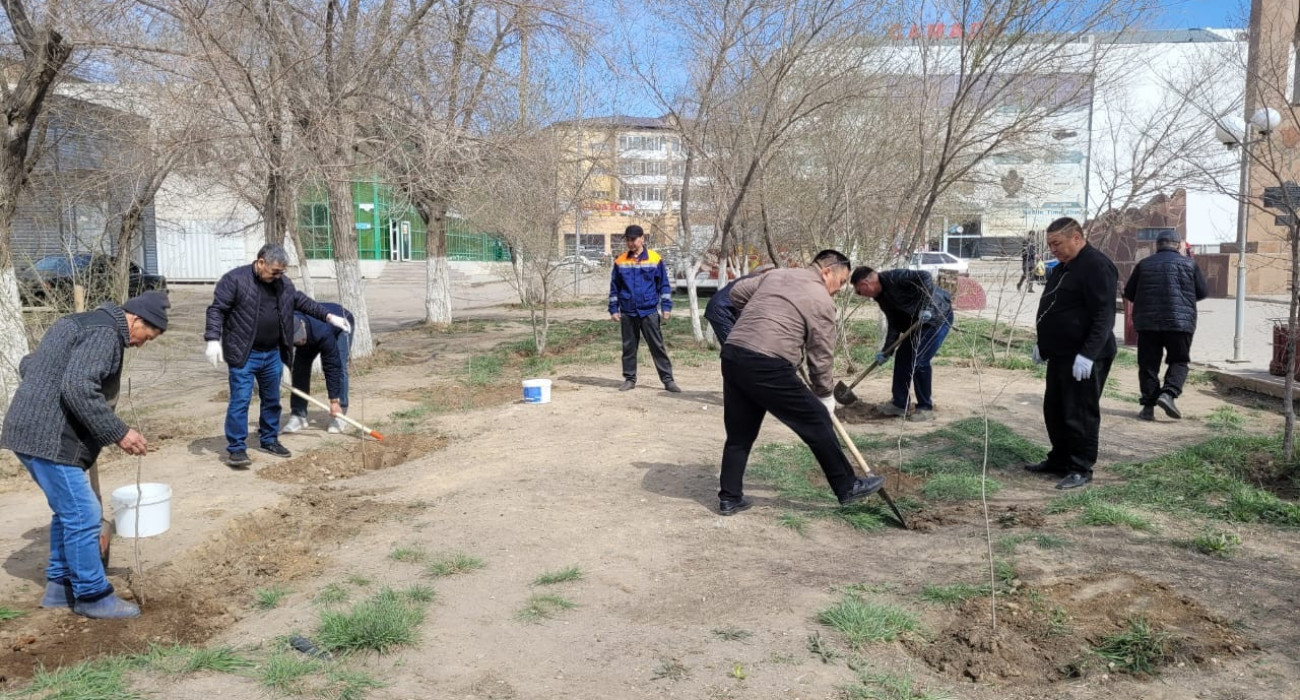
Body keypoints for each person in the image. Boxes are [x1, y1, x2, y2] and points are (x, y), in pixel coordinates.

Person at [1, 291, 169, 619]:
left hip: (28, 431)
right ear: (135, 320)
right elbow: (79, 387)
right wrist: (119, 432)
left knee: (68, 511)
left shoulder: (80, 323)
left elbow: (30, 364)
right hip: (48, 437)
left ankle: (59, 587)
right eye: (145, 337)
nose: (140, 345)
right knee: (84, 514)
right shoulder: (105, 334)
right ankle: (92, 595)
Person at [716, 250, 885, 516]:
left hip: (734, 354)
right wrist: (825, 395)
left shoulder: (777, 274)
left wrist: (763, 316)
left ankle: (729, 497)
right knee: (817, 421)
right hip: (767, 364)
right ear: (827, 271)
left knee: (739, 434)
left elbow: (736, 294)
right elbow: (821, 355)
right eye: (841, 282)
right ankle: (848, 486)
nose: (839, 290)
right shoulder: (821, 301)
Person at [205, 244, 351, 467]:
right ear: (261, 262)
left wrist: (329, 316)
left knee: (272, 401)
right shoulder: (235, 280)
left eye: (282, 272)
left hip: (272, 353)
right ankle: (236, 448)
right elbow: (216, 310)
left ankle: (269, 439)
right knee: (240, 401)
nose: (278, 276)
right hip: (244, 353)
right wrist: (213, 339)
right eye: (275, 271)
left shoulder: (282, 283)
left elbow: (303, 302)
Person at [1027, 217, 1118, 490]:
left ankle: (1080, 467)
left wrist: (1088, 354)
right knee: (1055, 410)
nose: (1052, 250)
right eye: (1050, 244)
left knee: (1079, 412)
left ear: (1076, 238)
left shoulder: (1096, 266)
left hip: (1085, 356)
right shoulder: (1064, 268)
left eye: (1057, 244)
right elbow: (1055, 309)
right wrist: (1043, 345)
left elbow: (1104, 315)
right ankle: (1059, 459)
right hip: (1060, 354)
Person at [1123, 230, 1207, 421]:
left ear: (1157, 246)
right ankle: (1168, 394)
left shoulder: (1144, 265)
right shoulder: (1190, 265)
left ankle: (1148, 408)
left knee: (1148, 365)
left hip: (1148, 324)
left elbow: (1129, 293)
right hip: (1180, 323)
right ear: (1178, 245)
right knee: (1179, 360)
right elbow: (1201, 293)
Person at [851, 267, 953, 422]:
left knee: (919, 361)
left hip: (936, 318)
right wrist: (887, 351)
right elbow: (894, 323)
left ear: (865, 283)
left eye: (859, 291)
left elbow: (924, 276)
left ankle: (925, 408)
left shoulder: (894, 277)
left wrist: (926, 307)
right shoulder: (882, 297)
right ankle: (899, 404)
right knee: (903, 358)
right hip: (916, 324)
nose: (861, 294)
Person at [608, 225, 679, 392]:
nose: (630, 243)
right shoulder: (620, 261)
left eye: (633, 239)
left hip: (649, 312)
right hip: (628, 312)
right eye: (628, 240)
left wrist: (666, 307)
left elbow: (664, 285)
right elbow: (614, 288)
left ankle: (668, 380)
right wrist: (613, 308)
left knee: (657, 346)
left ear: (642, 239)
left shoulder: (655, 259)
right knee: (629, 347)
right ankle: (629, 379)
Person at [283, 302, 354, 434]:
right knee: (299, 370)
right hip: (312, 332)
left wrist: (333, 400)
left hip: (341, 324)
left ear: (302, 326)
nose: (299, 342)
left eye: (300, 339)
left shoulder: (323, 331)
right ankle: (298, 415)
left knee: (340, 367)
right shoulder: (283, 325)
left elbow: (332, 366)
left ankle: (339, 412)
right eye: (295, 341)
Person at [704, 264, 775, 345]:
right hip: (720, 309)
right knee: (733, 346)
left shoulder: (754, 280)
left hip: (725, 308)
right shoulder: (758, 282)